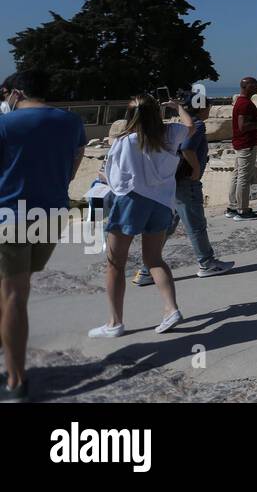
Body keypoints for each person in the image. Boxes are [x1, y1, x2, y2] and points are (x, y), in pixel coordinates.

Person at [0, 69, 86, 402]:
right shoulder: (71, 123)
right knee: (15, 292)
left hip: (11, 215)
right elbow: (74, 162)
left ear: (15, 93)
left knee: (13, 297)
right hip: (51, 215)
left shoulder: (6, 125)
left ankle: (16, 381)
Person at [92, 93, 196, 339]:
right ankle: (171, 309)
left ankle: (114, 322)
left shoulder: (124, 141)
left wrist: (102, 177)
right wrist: (178, 107)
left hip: (131, 201)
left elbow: (116, 181)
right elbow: (191, 126)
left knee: (115, 262)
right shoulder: (170, 134)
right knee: (154, 259)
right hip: (161, 202)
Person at [134, 91, 232, 284]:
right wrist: (195, 169)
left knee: (166, 227)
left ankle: (146, 270)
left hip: (172, 182)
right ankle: (207, 263)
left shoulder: (173, 126)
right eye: (208, 107)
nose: (209, 111)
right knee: (196, 224)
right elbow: (187, 147)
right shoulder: (198, 125)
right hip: (187, 182)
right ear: (202, 108)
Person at [227, 76, 257, 220]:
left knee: (237, 175)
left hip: (241, 143)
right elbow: (243, 126)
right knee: (243, 178)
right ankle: (243, 210)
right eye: (254, 84)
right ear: (246, 86)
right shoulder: (244, 104)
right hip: (246, 144)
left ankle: (233, 207)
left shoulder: (242, 102)